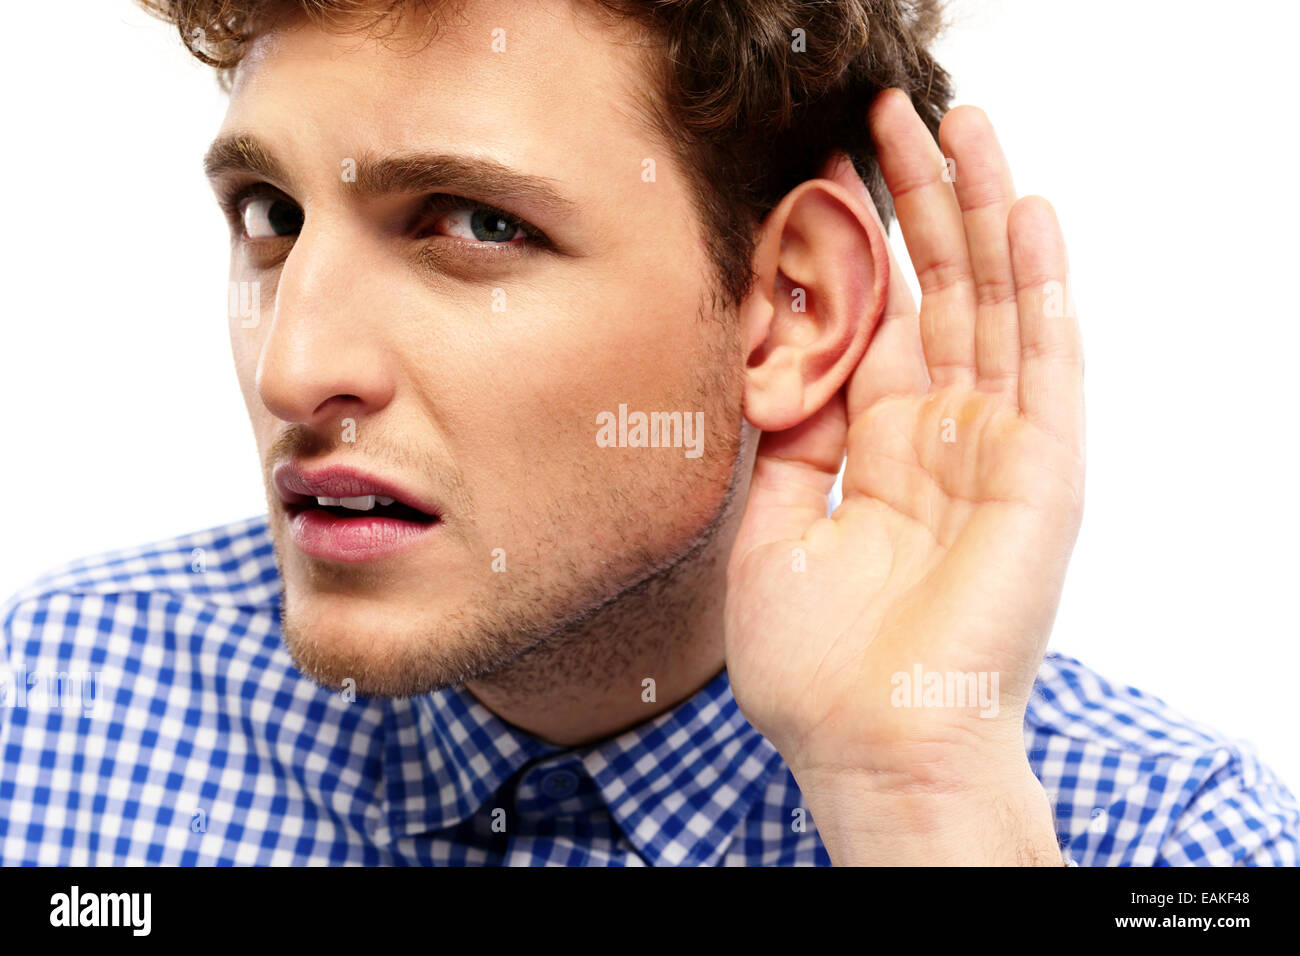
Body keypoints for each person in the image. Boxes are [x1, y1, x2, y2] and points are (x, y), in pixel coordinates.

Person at [1, 0, 1295, 865]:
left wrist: (923, 802)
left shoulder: (1164, 840)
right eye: (273, 212)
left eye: (473, 223)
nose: (294, 367)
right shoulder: (48, 708)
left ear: (790, 316)